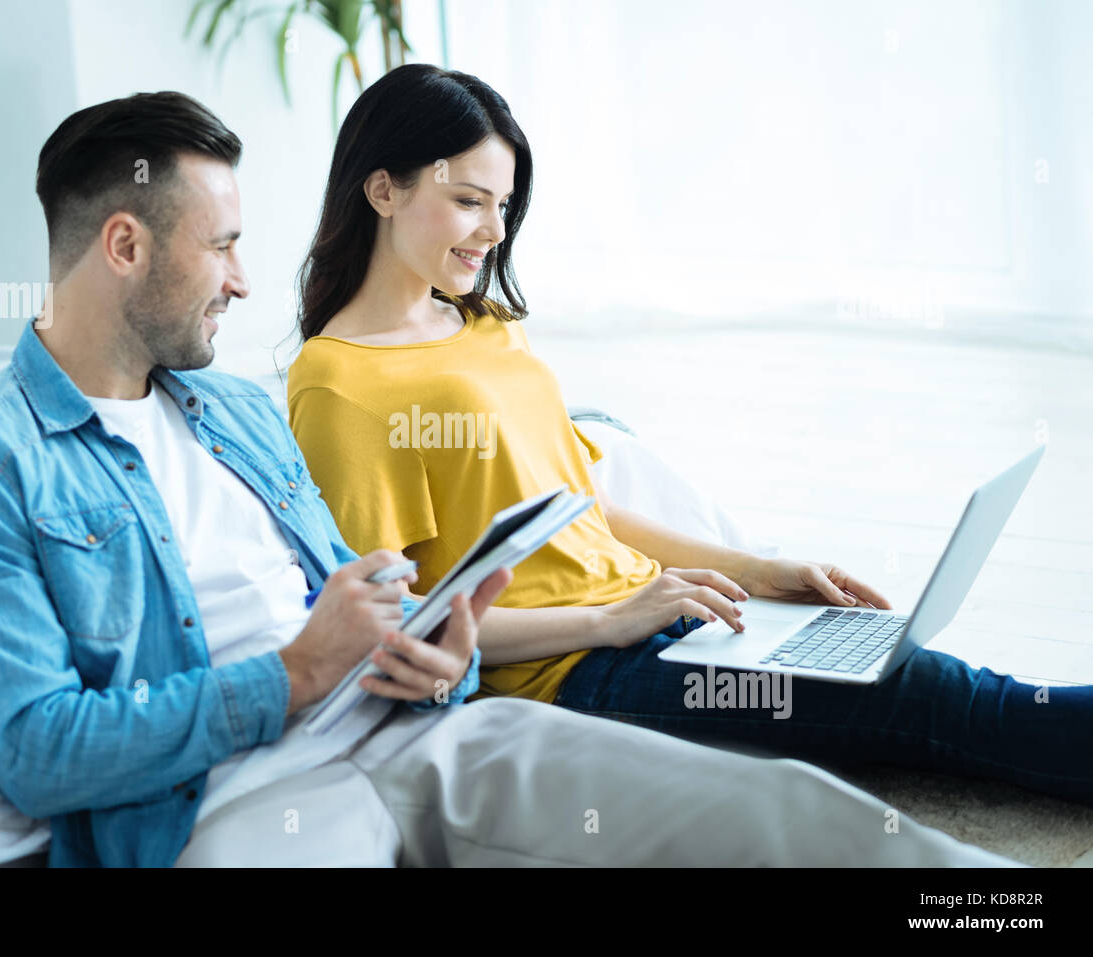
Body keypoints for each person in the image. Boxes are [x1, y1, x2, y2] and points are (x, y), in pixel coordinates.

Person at [0, 90, 1017, 867]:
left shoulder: (236, 414)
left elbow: (362, 606)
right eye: (224, 246)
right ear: (126, 248)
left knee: (803, 822)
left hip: (426, 731)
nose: (247, 283)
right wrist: (292, 677)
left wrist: (435, 646)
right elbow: (40, 754)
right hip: (229, 809)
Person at [286, 64, 1093, 809]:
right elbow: (393, 625)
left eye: (504, 204)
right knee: (936, 703)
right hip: (574, 672)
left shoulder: (481, 323)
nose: (494, 230)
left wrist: (759, 572)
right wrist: (608, 622)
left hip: (666, 615)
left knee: (919, 668)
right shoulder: (339, 381)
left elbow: (576, 501)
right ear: (383, 189)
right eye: (469, 200)